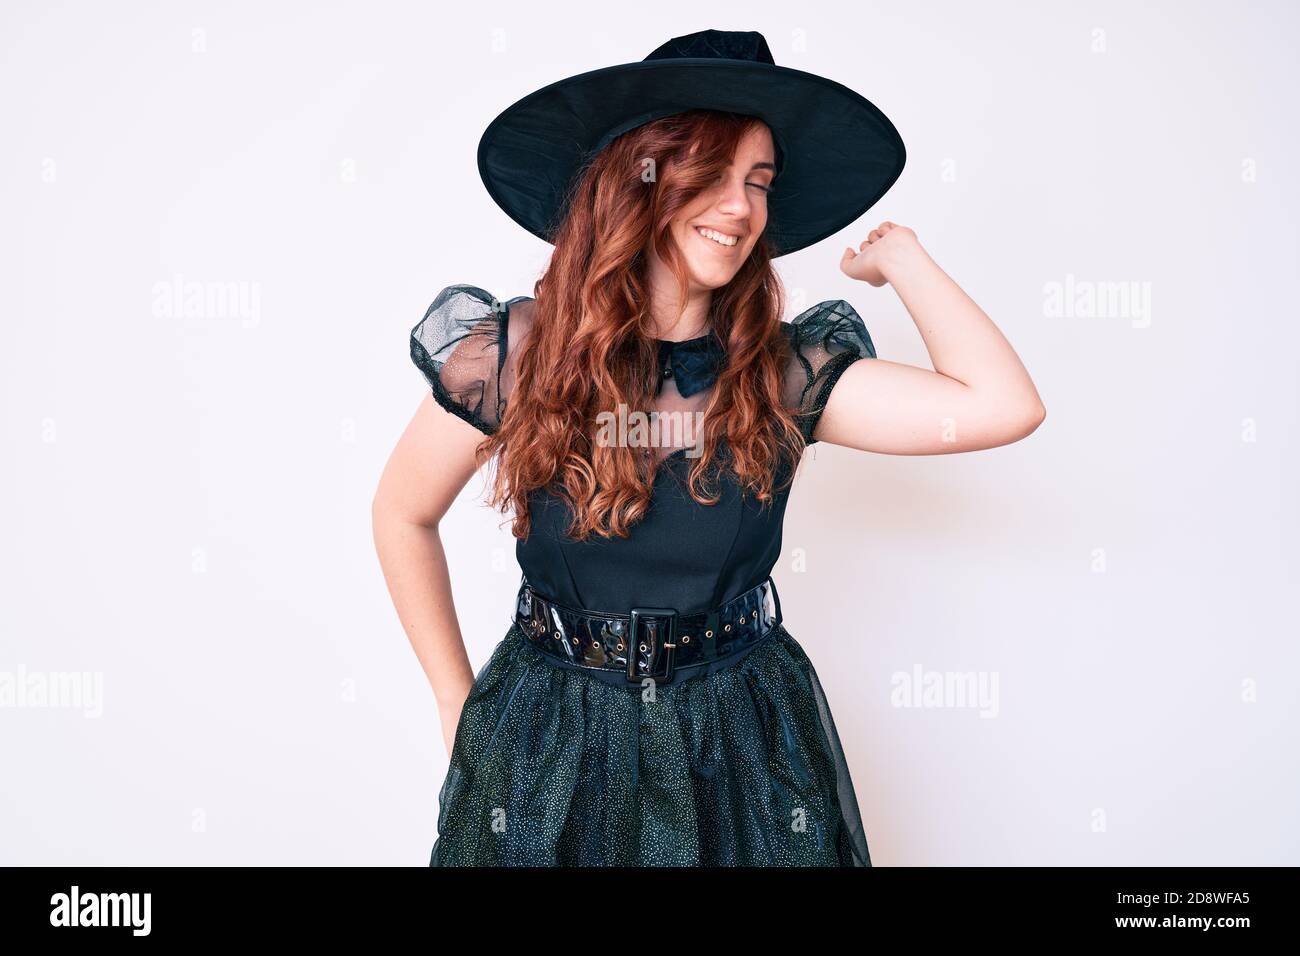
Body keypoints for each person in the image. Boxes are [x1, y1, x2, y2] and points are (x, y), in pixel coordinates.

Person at [372, 30, 1044, 867]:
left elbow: (1003, 406)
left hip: (740, 734)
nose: (741, 207)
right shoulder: (520, 354)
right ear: (641, 181)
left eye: (758, 184)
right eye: (712, 175)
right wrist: (450, 697)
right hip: (548, 730)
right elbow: (401, 512)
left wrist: (904, 260)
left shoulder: (783, 373)